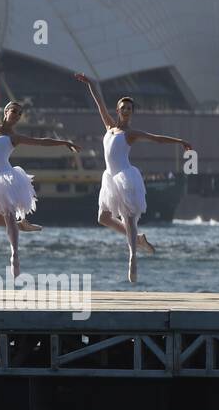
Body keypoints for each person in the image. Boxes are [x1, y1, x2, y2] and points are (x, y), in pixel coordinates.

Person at [73, 73, 193, 283]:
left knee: (128, 217)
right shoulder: (110, 127)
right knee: (103, 218)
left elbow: (155, 139)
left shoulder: (131, 133)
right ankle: (137, 240)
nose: (127, 111)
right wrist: (90, 83)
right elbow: (99, 102)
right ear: (118, 110)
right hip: (110, 178)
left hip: (125, 176)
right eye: (124, 107)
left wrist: (179, 141)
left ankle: (133, 257)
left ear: (132, 113)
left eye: (130, 108)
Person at [0, 67, 79, 276]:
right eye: (14, 111)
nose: (17, 115)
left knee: (8, 215)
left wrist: (64, 142)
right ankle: (21, 226)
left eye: (20, 114)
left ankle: (15, 255)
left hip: (7, 177)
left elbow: (41, 142)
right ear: (6, 112)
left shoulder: (15, 137)